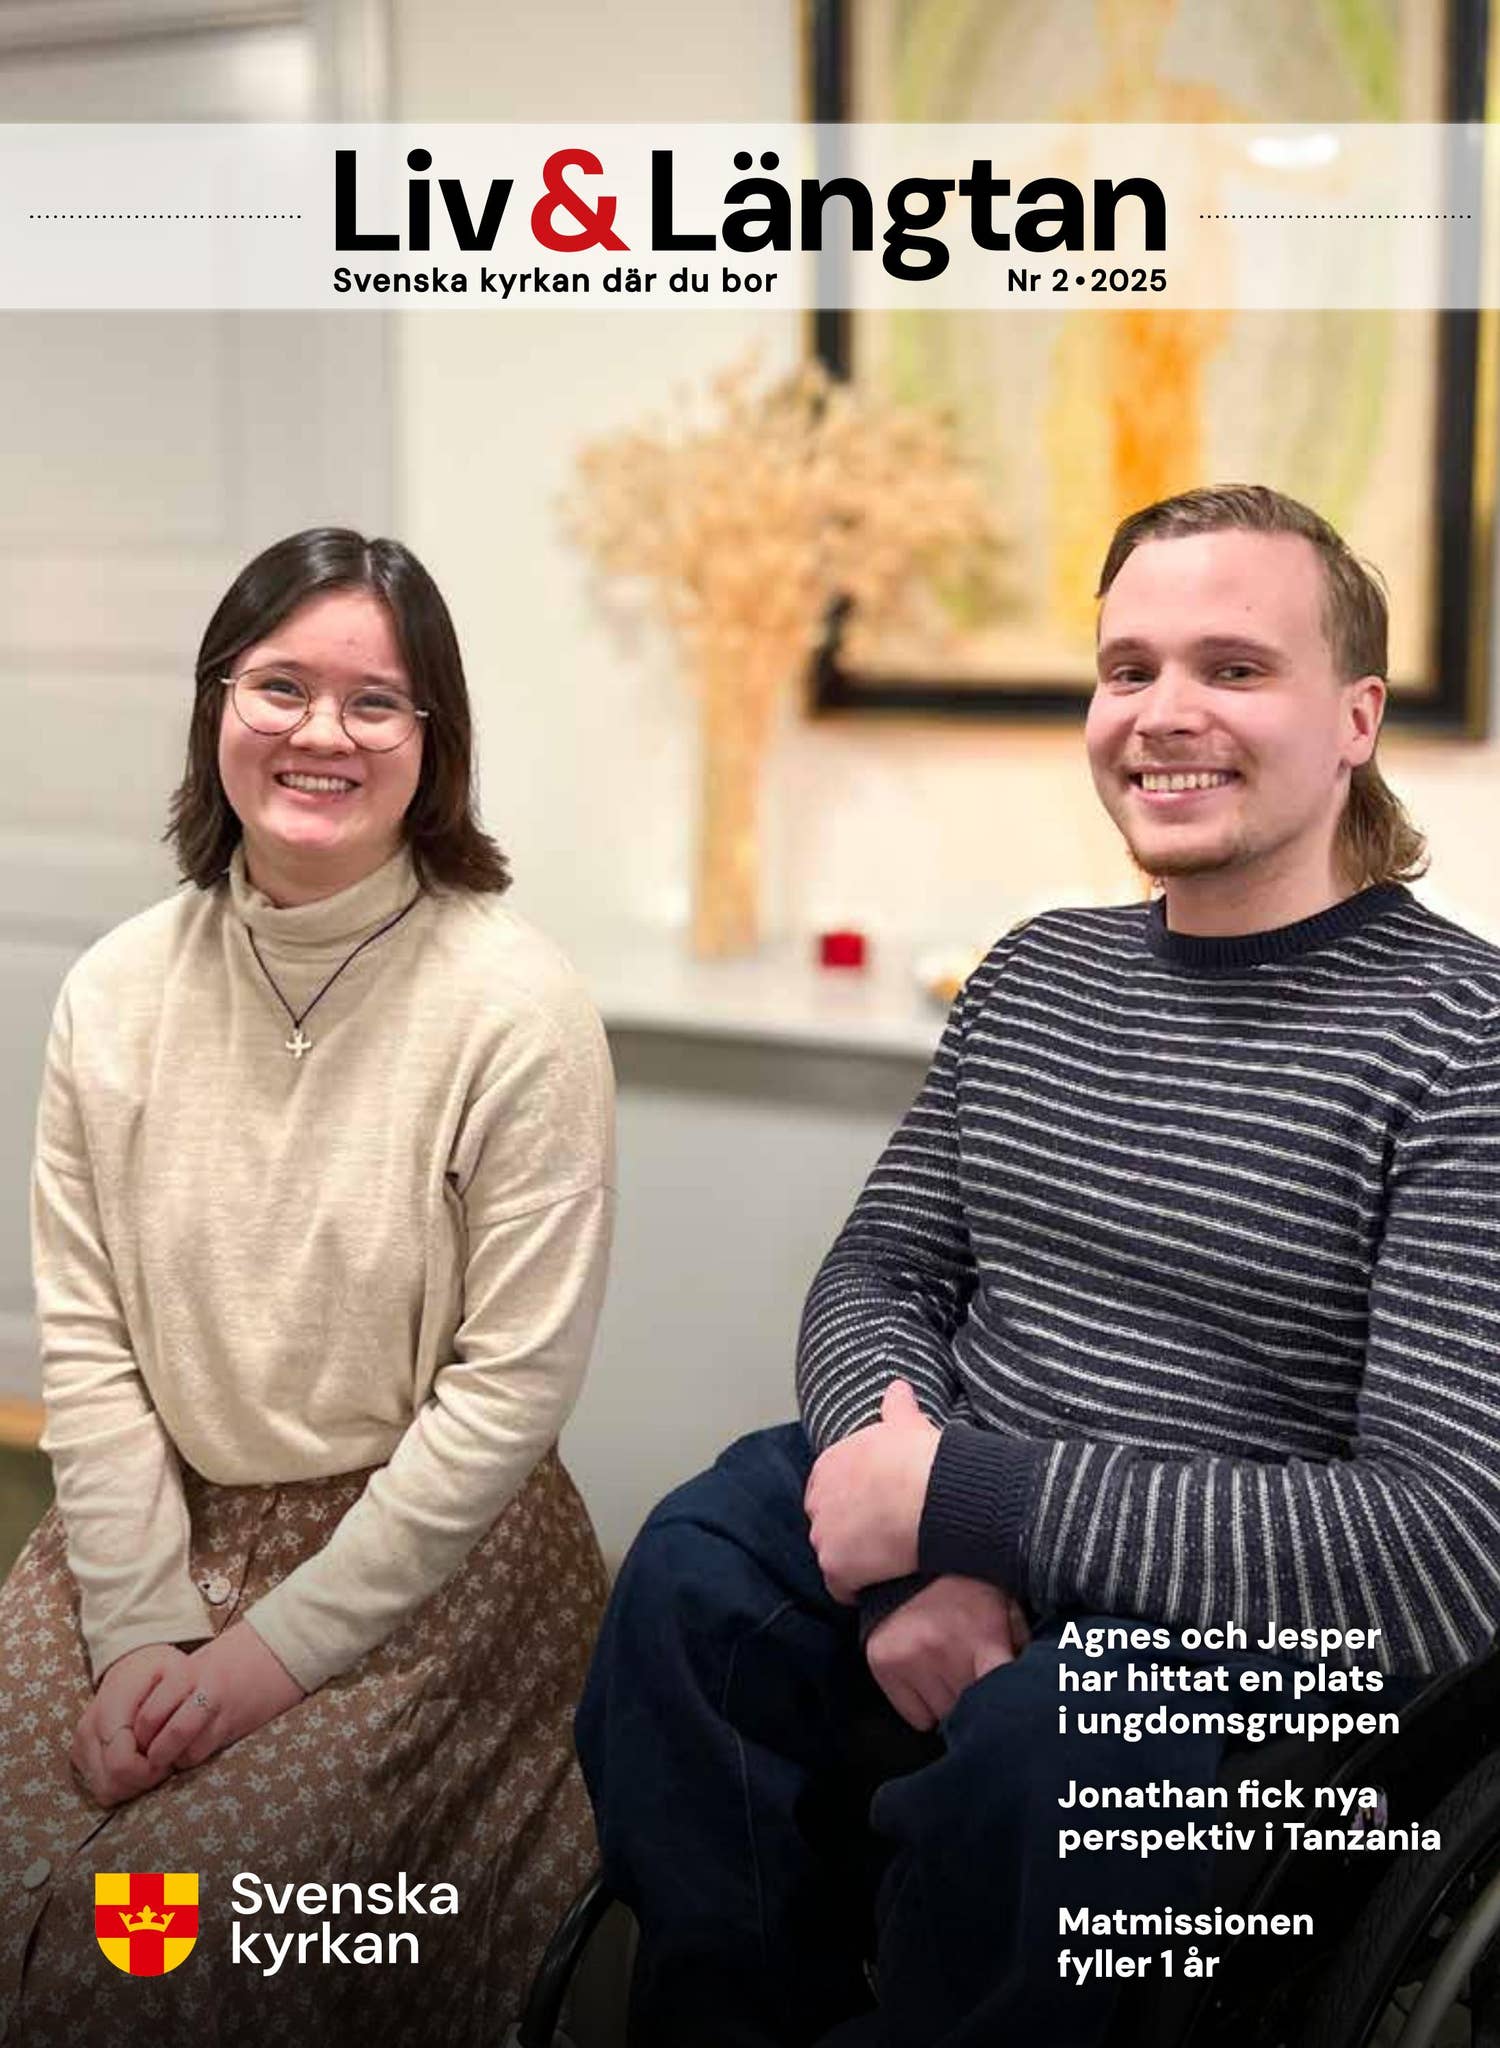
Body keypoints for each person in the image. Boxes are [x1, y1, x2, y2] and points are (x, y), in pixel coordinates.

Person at [576, 484, 1500, 2048]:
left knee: (1047, 1767)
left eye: (1233, 667)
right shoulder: (1037, 975)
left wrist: (961, 1506)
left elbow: (1438, 1547)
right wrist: (918, 1547)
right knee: (693, 1568)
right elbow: (881, 1272)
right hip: (970, 1509)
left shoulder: (1462, 1041)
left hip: (1243, 1630)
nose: (1164, 713)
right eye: (1129, 668)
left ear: (1355, 718)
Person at [0, 530, 615, 2044]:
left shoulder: (517, 1010)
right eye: (280, 686)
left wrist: (254, 1667)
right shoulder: (114, 991)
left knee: (148, 1959)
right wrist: (140, 1631)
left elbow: (507, 1396)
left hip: (419, 1559)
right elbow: (88, 1343)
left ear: (432, 743)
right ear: (218, 704)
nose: (321, 733)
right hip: (149, 1524)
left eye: (375, 702)